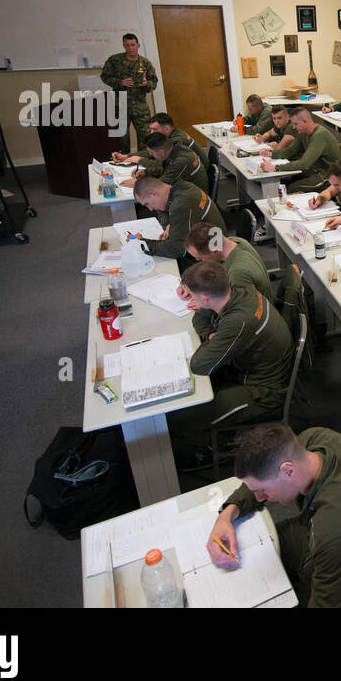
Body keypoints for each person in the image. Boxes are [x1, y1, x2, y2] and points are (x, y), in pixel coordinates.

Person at [206, 423, 341, 607]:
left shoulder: (338, 531)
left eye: (263, 490)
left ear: (287, 471)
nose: (260, 498)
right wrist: (227, 515)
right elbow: (258, 477)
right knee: (260, 546)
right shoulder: (315, 440)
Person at [165, 263, 294, 469]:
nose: (190, 300)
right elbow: (201, 319)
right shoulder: (240, 290)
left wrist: (214, 340)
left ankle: (204, 451)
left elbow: (200, 366)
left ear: (205, 298)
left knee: (181, 418)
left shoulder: (238, 322)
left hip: (266, 392)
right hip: (247, 370)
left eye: (191, 295)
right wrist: (211, 335)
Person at [132, 177, 226, 261]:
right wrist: (170, 224)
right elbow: (163, 211)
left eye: (147, 204)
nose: (150, 209)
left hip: (213, 253)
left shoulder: (181, 205)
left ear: (153, 193)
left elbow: (176, 250)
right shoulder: (184, 187)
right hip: (212, 241)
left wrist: (142, 243)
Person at [99, 33, 158, 152]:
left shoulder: (145, 63)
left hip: (140, 105)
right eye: (127, 45)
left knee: (145, 135)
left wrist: (147, 84)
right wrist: (120, 82)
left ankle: (143, 161)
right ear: (123, 46)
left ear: (138, 45)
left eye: (132, 45)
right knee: (121, 138)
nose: (130, 48)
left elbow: (154, 82)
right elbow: (105, 77)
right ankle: (123, 161)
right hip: (120, 104)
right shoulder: (115, 60)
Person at [183, 221, 271, 299]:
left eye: (200, 258)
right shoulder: (235, 241)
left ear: (215, 249)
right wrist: (190, 286)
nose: (199, 261)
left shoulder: (237, 272)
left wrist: (205, 303)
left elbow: (240, 310)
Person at [260, 108, 341, 189]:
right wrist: (270, 154)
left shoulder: (319, 136)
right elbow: (290, 151)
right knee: (283, 182)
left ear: (305, 121)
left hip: (327, 176)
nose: (293, 127)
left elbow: (304, 163)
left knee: (291, 188)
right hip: (312, 171)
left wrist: (275, 167)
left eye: (296, 124)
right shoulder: (304, 132)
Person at [120, 132, 207, 193]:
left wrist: (137, 184)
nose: (150, 155)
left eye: (152, 152)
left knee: (144, 207)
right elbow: (165, 169)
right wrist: (146, 172)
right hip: (184, 189)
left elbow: (161, 185)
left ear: (161, 152)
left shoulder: (181, 161)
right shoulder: (175, 149)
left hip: (192, 197)